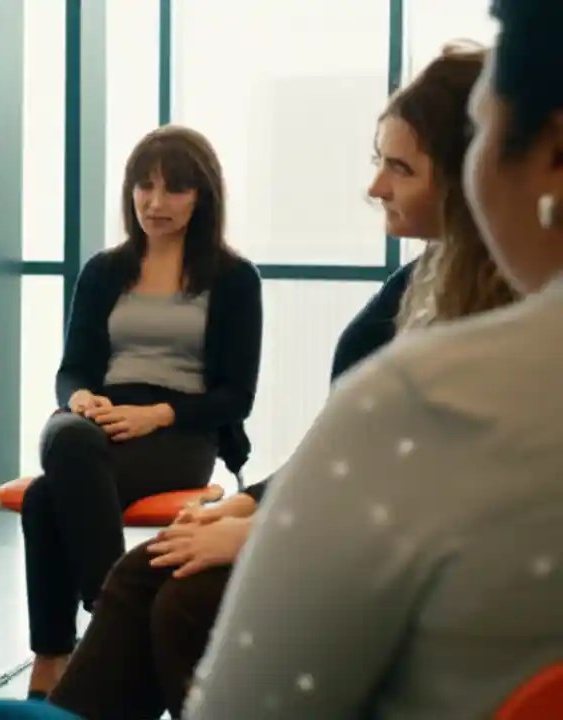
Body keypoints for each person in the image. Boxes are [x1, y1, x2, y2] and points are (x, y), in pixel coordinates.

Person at [48, 46, 518, 720]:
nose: (376, 187)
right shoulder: (428, 280)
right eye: (377, 161)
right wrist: (246, 507)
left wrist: (264, 529)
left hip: (378, 546)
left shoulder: (493, 314)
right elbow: (341, 446)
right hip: (327, 514)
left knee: (183, 600)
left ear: (469, 177)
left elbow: (430, 486)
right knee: (134, 569)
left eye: (400, 167)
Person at [187, 3, 563, 715]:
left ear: (552, 152)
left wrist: (257, 525)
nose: (377, 188)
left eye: (484, 129)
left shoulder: (428, 394)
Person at [22, 125, 263, 698]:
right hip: (99, 420)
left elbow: (236, 396)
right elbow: (73, 368)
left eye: (174, 189)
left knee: (43, 497)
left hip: (181, 430)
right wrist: (79, 399)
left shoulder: (232, 279)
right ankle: (110, 621)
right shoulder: (105, 270)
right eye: (144, 187)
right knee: (69, 441)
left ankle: (62, 655)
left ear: (202, 195)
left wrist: (157, 414)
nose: (155, 203)